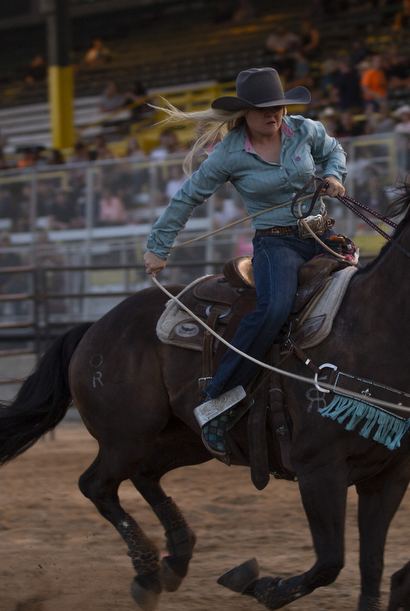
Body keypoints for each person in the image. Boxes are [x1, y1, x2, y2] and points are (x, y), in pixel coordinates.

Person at [142, 68, 346, 449]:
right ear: (245, 113)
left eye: (279, 107)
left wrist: (334, 174)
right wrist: (159, 246)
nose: (275, 114)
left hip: (320, 235)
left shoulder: (305, 129)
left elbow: (333, 151)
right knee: (273, 309)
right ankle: (218, 395)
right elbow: (188, 196)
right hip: (276, 243)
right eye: (264, 109)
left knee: (362, 291)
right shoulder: (229, 154)